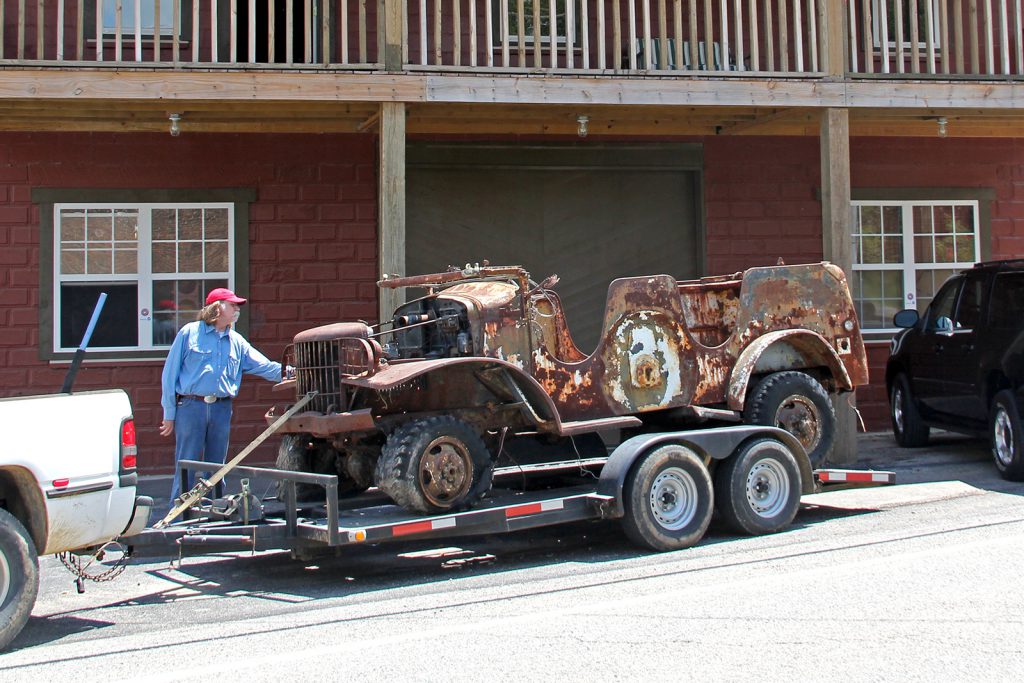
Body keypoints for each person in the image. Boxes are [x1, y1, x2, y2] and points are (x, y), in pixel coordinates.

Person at [160, 287, 284, 502]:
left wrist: (296, 372)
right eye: (233, 305)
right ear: (217, 308)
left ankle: (214, 510)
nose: (237, 310)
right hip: (191, 406)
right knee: (187, 461)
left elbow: (266, 367)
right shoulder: (190, 333)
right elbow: (169, 374)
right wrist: (169, 413)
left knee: (217, 464)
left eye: (238, 306)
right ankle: (179, 513)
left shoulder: (236, 341)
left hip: (221, 408)